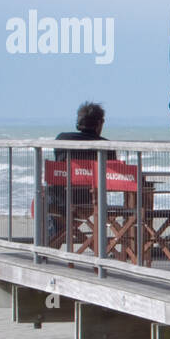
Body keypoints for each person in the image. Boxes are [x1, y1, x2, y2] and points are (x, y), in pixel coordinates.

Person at [49, 102, 117, 240]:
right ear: (99, 123)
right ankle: (56, 239)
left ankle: (50, 244)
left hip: (61, 197)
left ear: (78, 122)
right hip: (92, 200)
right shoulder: (106, 146)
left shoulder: (62, 139)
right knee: (56, 213)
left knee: (44, 200)